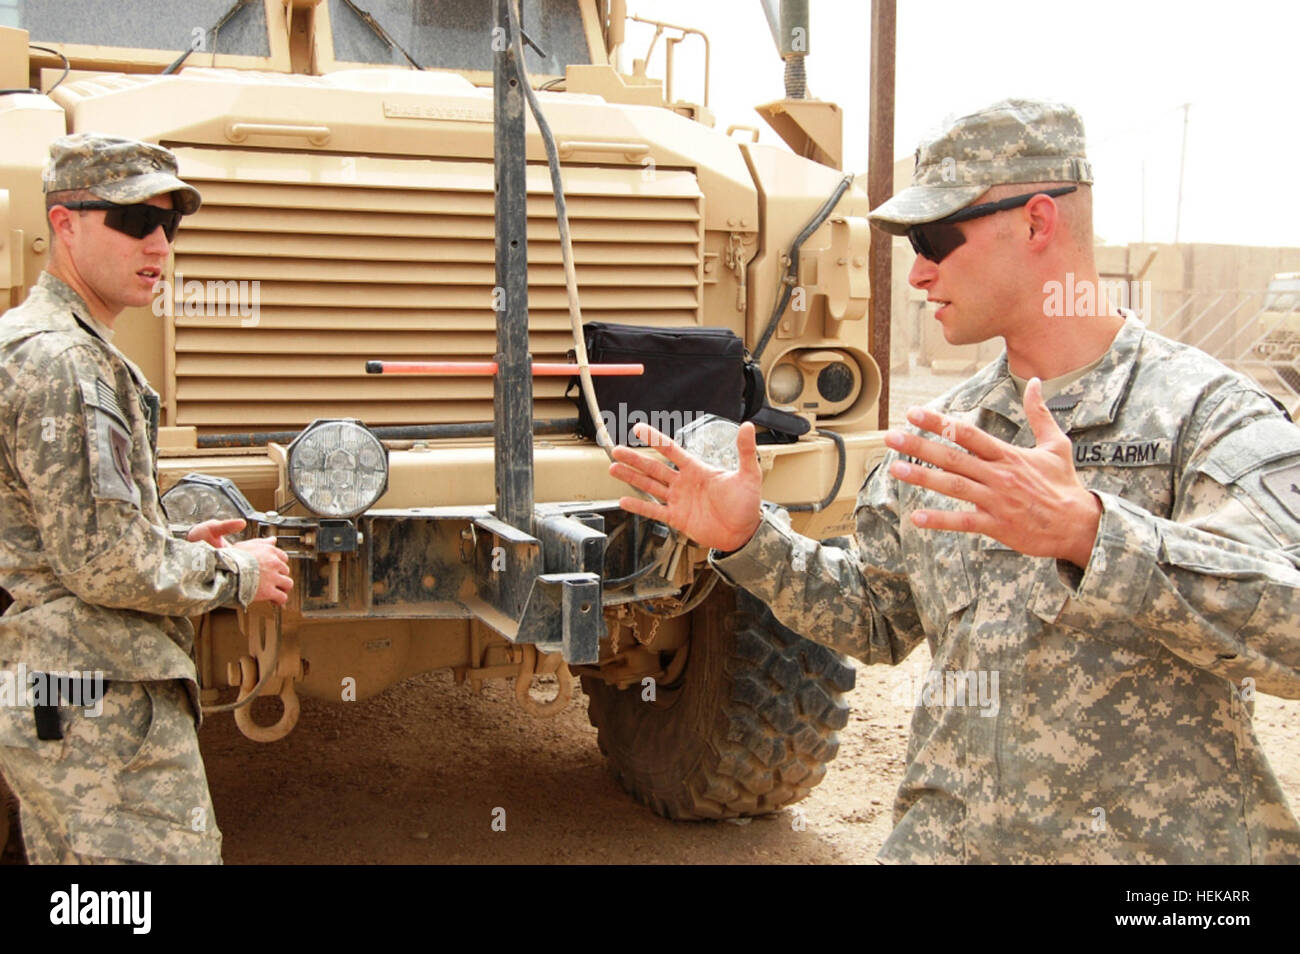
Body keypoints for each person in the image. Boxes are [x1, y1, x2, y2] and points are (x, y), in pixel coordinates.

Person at [609, 99, 1300, 863]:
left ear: (1038, 223)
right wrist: (751, 541)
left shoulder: (1207, 414)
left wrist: (1093, 535)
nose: (918, 270)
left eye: (938, 237)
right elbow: (876, 616)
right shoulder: (945, 430)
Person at [0, 133, 294, 864]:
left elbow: (66, 533)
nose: (158, 244)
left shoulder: (52, 345)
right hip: (94, 700)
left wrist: (174, 546)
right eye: (134, 221)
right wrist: (238, 574)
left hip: (67, 693)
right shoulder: (66, 362)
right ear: (64, 223)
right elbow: (100, 560)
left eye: (170, 224)